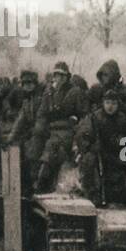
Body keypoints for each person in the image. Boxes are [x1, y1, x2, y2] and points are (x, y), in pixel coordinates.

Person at [31, 62, 88, 193]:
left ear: (67, 77)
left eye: (62, 76)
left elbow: (84, 114)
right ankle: (40, 183)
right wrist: (40, 127)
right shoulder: (49, 93)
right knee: (39, 149)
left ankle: (48, 185)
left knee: (56, 151)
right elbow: (41, 114)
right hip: (51, 130)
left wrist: (77, 126)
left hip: (69, 131)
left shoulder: (75, 92)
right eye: (56, 75)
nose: (59, 78)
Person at [74, 88, 126, 206]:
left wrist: (120, 143)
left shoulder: (123, 120)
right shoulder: (94, 118)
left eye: (114, 103)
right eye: (107, 103)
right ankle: (92, 193)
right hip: (100, 157)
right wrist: (91, 146)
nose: (110, 107)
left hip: (116, 157)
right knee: (89, 159)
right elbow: (82, 136)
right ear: (103, 103)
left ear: (118, 104)